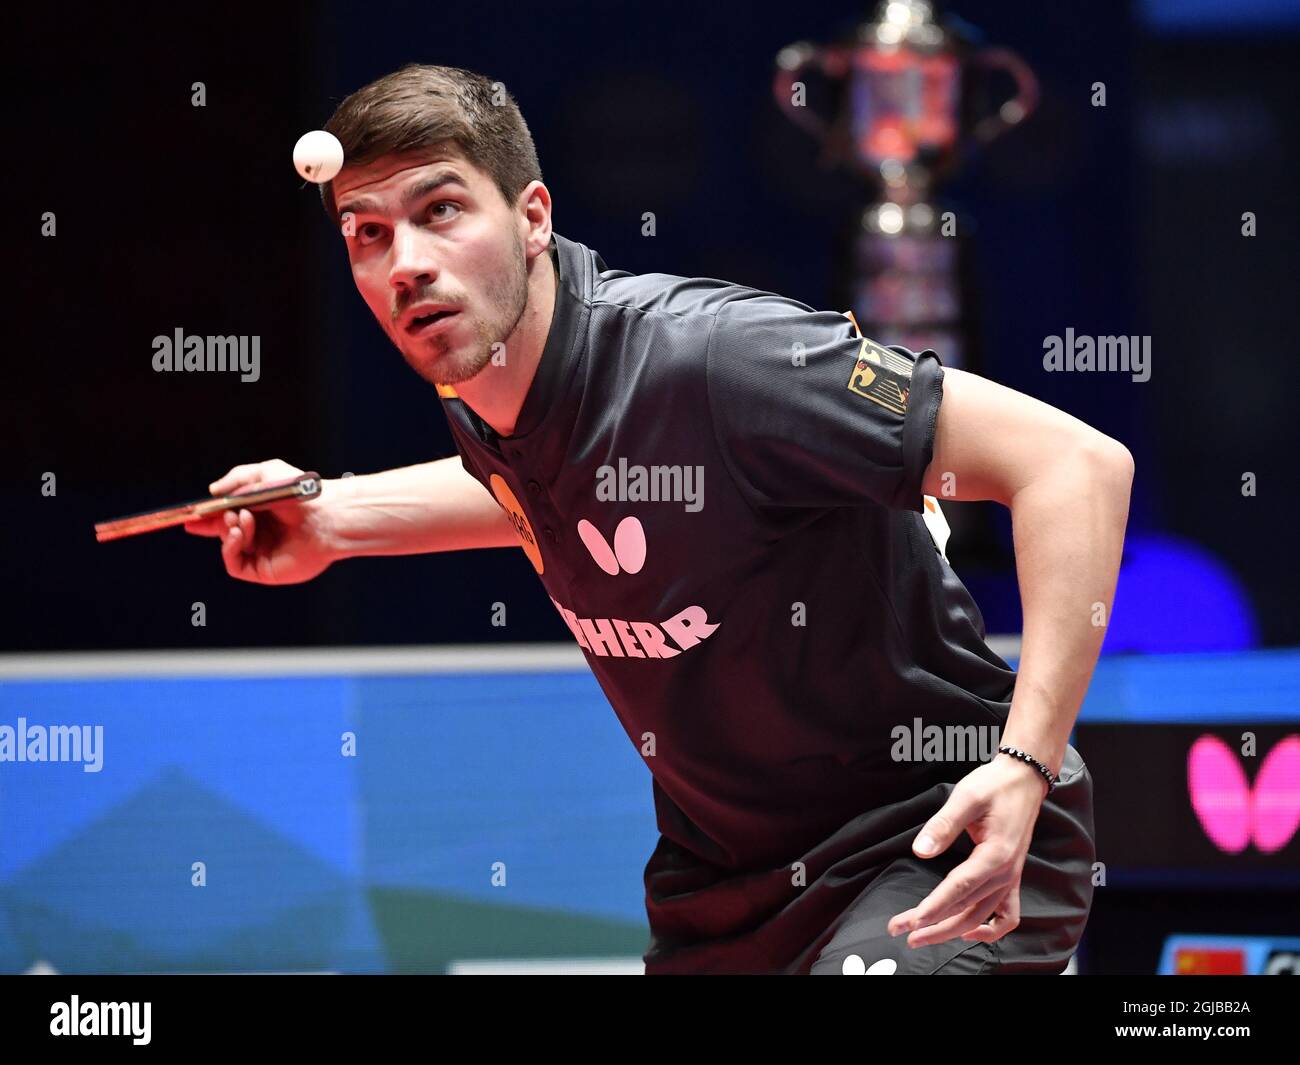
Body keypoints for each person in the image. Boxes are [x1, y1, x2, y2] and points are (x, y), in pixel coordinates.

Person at [186, 64, 1132, 974]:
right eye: (368, 234)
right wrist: (333, 514)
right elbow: (545, 492)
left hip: (930, 835)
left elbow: (1074, 464)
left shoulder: (716, 360)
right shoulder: (486, 388)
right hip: (724, 892)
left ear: (531, 218)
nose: (408, 264)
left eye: (440, 212)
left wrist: (1025, 761)